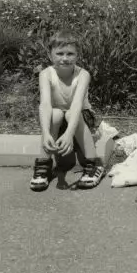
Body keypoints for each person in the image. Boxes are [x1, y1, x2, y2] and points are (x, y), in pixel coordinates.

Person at [30, 30, 105, 191]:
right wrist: (45, 133)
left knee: (71, 113)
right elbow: (45, 104)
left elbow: (77, 104)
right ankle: (43, 164)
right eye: (59, 53)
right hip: (58, 119)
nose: (64, 58)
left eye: (70, 53)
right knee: (55, 114)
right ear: (50, 55)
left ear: (77, 56)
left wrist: (70, 134)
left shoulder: (83, 75)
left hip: (80, 117)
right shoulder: (45, 74)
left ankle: (94, 164)